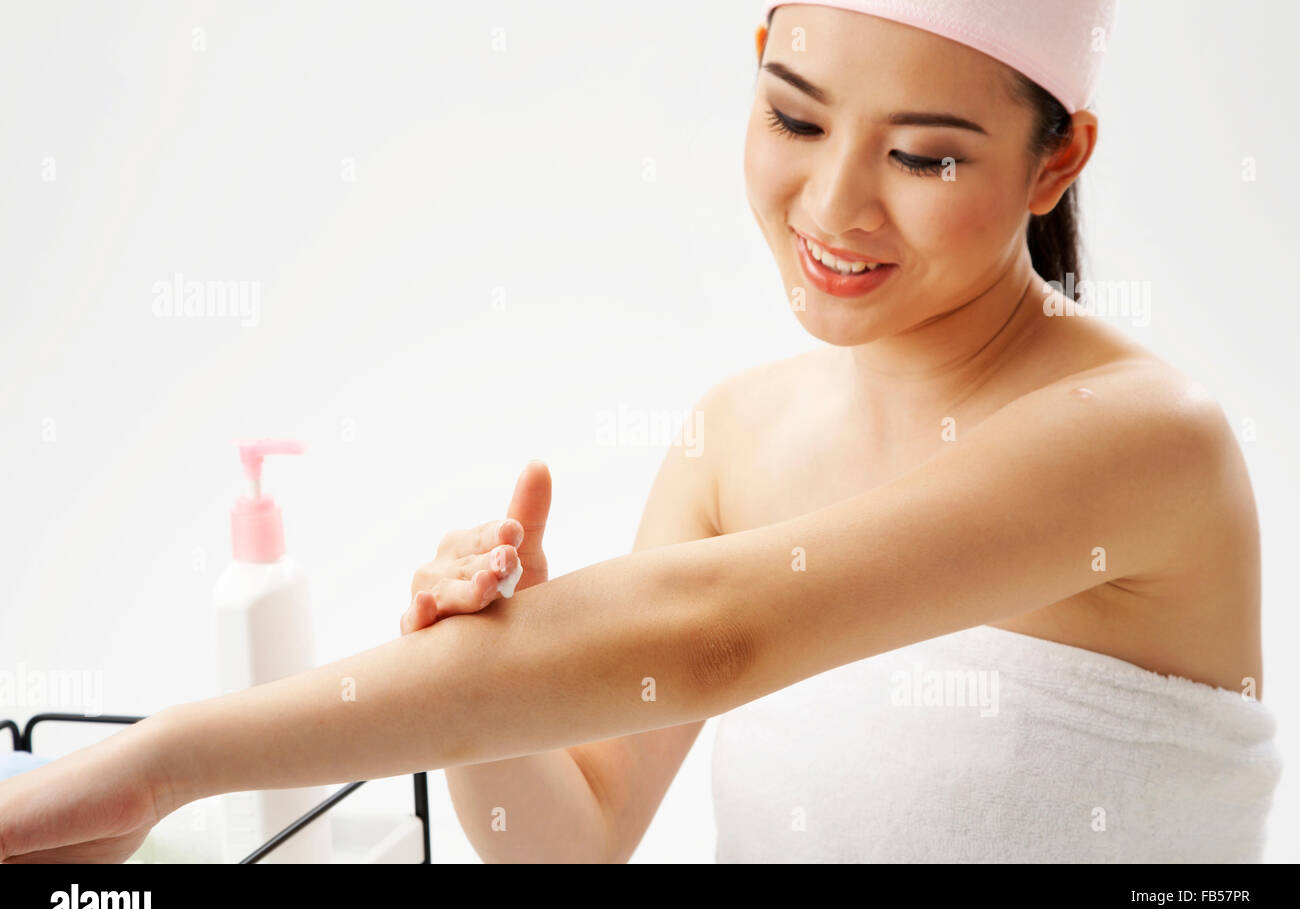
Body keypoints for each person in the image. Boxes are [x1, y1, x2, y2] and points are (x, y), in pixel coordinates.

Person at [0, 0, 1280, 864]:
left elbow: (718, 636)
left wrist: (159, 768)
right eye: (793, 117)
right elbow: (573, 842)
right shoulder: (731, 438)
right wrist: (497, 666)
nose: (832, 204)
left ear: (1056, 164)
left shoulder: (1140, 440)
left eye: (926, 159)